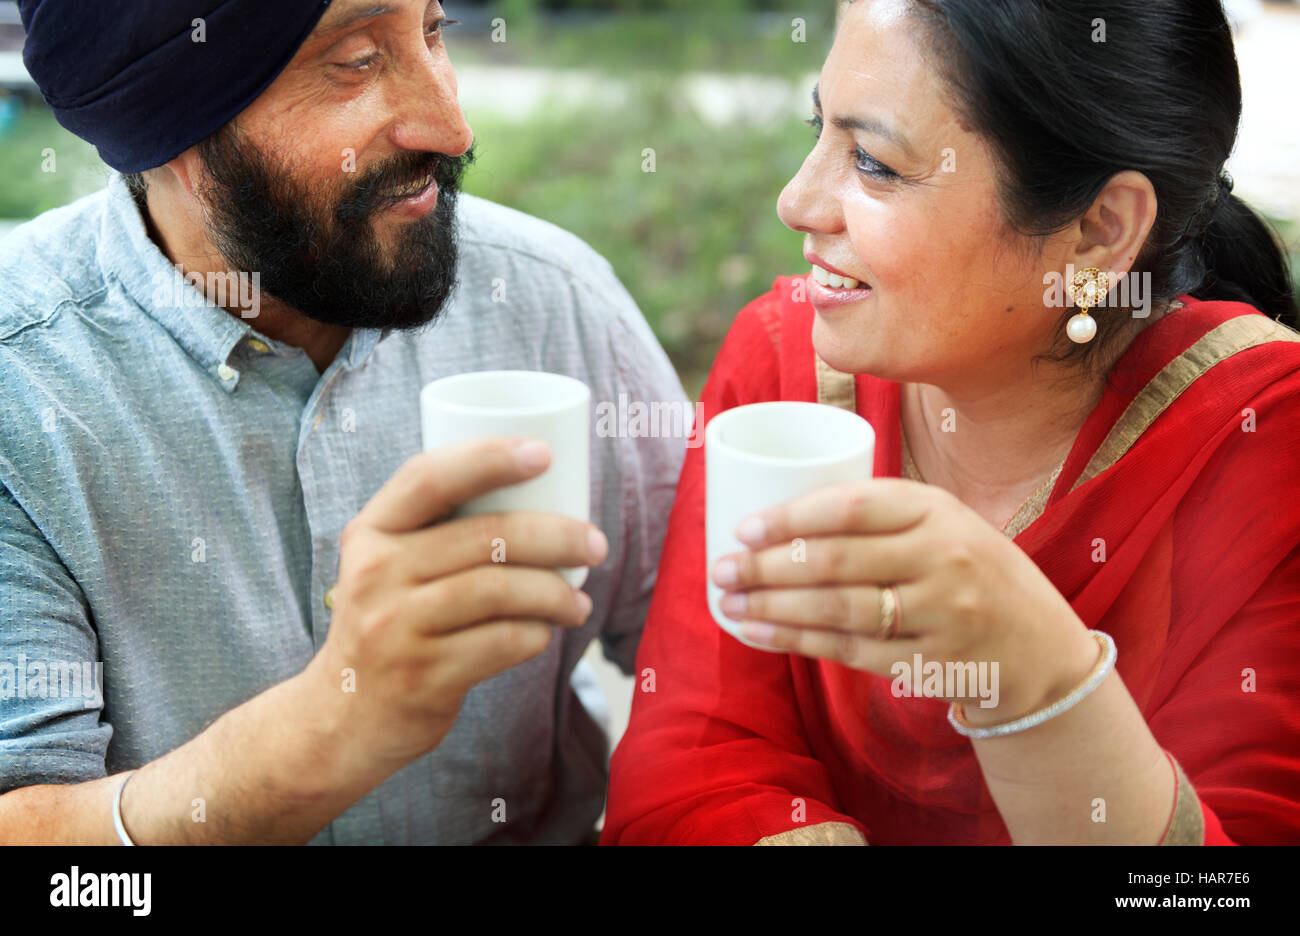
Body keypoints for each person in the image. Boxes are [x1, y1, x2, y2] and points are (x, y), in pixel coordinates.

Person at [601, 0, 1300, 845]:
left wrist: (1032, 671)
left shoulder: (1263, 437)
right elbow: (690, 767)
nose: (796, 201)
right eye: (817, 130)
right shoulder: (784, 367)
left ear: (1097, 230)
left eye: (873, 163)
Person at [0, 0, 689, 844]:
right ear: (167, 126)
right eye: (356, 60)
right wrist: (335, 724)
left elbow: (717, 680)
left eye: (434, 31)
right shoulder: (21, 386)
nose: (451, 125)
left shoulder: (552, 302)